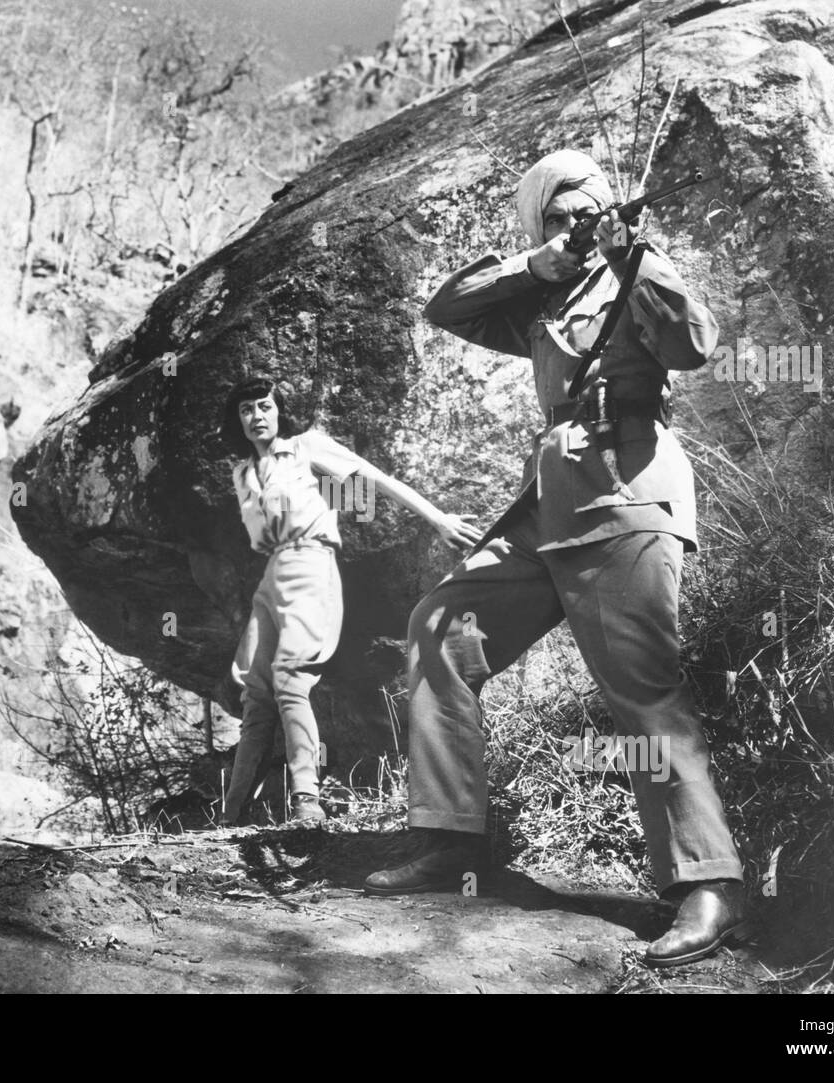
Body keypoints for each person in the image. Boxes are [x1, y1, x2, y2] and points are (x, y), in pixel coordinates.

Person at [362, 150, 750, 967]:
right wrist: (537, 261)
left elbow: (694, 343)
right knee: (440, 624)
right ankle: (451, 839)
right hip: (550, 506)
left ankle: (707, 884)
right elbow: (449, 306)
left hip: (623, 496)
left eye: (591, 208)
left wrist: (630, 255)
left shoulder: (638, 271)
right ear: (544, 223)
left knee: (643, 687)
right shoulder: (543, 293)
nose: (582, 220)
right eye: (563, 213)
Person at [219, 375, 482, 825]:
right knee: (255, 693)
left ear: (279, 410)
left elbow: (374, 479)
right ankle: (231, 814)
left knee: (289, 680)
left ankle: (307, 802)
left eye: (264, 405)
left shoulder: (306, 448)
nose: (256, 416)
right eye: (246, 409)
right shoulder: (241, 473)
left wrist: (439, 519)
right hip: (272, 576)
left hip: (312, 565)